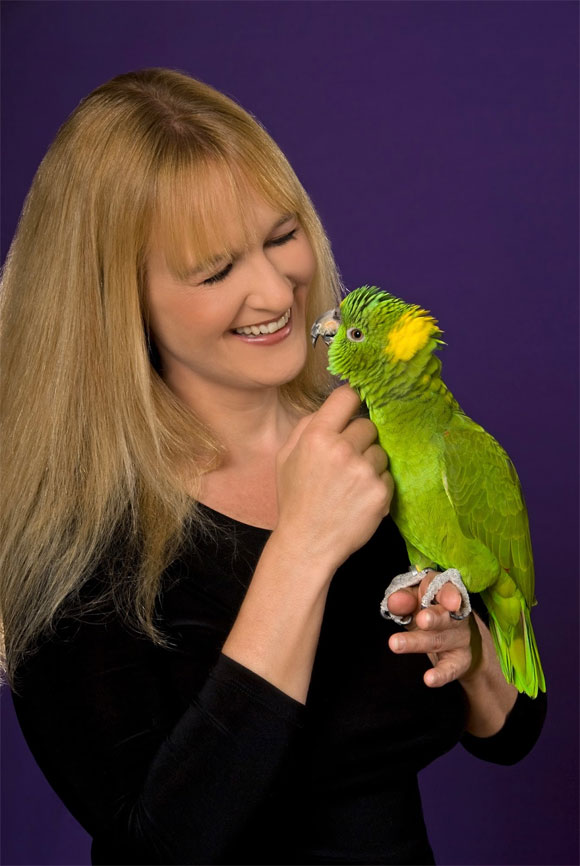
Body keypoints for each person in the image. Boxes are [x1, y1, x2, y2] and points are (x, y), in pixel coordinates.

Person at [0, 68, 546, 866]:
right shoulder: (71, 537)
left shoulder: (387, 442)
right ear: (117, 301)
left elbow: (513, 731)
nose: (276, 291)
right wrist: (302, 551)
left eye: (281, 235)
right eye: (216, 270)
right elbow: (160, 848)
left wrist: (469, 656)